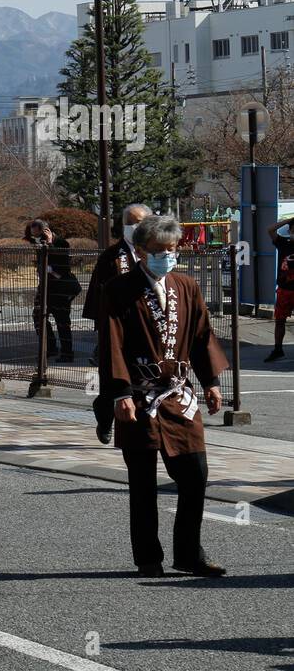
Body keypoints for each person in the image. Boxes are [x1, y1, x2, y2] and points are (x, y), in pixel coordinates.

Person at [99, 214, 229, 578]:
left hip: (178, 395)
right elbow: (112, 343)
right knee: (143, 481)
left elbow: (202, 334)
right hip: (139, 396)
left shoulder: (186, 285)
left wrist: (211, 382)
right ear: (140, 251)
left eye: (172, 249)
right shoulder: (119, 289)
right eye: (158, 250)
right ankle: (147, 556)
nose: (166, 256)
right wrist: (120, 393)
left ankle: (189, 552)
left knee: (195, 474)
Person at [85, 203, 152, 443]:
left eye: (140, 222)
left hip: (148, 328)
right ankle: (105, 417)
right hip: (117, 327)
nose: (136, 227)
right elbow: (97, 295)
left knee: (143, 379)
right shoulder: (112, 256)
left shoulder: (156, 253)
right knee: (112, 380)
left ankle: (140, 428)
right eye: (131, 223)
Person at [26, 218, 80, 364]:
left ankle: (67, 352)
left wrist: (50, 243)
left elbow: (63, 264)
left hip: (61, 287)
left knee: (62, 320)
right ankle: (50, 347)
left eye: (38, 235)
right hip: (45, 285)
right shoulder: (39, 244)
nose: (36, 238)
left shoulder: (61, 243)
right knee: (39, 315)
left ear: (46, 231)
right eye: (34, 235)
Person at [265, 213, 294, 362]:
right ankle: (278, 349)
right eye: (293, 230)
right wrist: (288, 221)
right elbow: (270, 230)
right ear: (290, 231)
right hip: (284, 288)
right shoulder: (284, 243)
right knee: (280, 320)